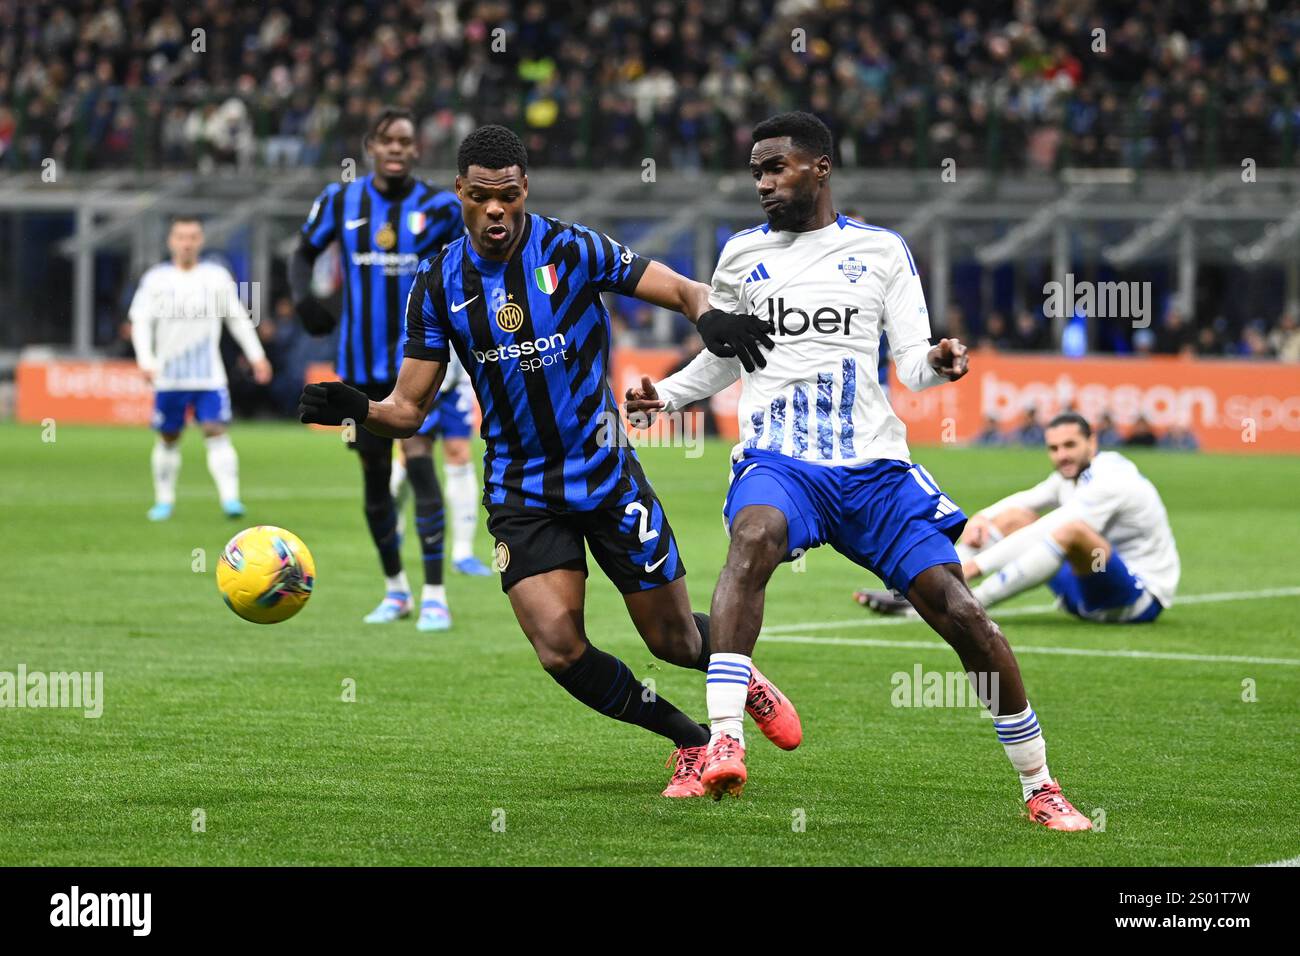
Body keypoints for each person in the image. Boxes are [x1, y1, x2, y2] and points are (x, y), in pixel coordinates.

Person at [298, 125, 800, 797]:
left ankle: (738, 669)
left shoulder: (572, 246)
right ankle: (691, 739)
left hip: (605, 474)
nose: (497, 210)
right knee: (559, 648)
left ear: (525, 189)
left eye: (508, 195)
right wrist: (355, 406)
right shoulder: (438, 280)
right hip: (521, 488)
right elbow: (408, 410)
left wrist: (709, 318)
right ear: (460, 194)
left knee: (674, 642)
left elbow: (683, 289)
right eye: (481, 197)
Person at [623, 112, 1090, 829]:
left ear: (821, 168)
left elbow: (911, 361)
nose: (764, 183)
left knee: (961, 614)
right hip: (781, 459)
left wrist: (937, 365)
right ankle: (723, 739)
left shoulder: (880, 252)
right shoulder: (742, 256)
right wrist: (667, 395)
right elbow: (726, 354)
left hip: (873, 470)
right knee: (752, 539)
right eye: (756, 172)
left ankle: (1040, 784)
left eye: (777, 167)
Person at [289, 107, 463, 631]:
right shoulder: (341, 200)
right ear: (371, 145)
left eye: (405, 141)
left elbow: (467, 263)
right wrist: (304, 300)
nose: (396, 148)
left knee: (420, 459)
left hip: (416, 362)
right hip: (358, 366)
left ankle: (435, 593)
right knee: (373, 475)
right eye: (386, 140)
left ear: (416, 150)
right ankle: (396, 590)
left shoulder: (439, 207)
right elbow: (302, 253)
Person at [859, 412, 1179, 624]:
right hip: (1085, 592)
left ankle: (960, 605)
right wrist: (981, 519)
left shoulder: (1110, 481)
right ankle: (925, 585)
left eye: (1070, 445)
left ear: (1092, 443)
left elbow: (1049, 529)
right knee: (1016, 517)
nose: (1061, 455)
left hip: (1137, 599)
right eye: (1054, 448)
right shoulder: (1074, 474)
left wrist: (973, 568)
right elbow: (1028, 500)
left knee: (1073, 532)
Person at [129, 216, 270, 521]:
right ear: (171, 241)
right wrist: (145, 360)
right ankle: (164, 501)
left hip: (209, 375)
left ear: (201, 241)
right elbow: (141, 321)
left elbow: (237, 318)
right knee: (169, 436)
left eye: (193, 236)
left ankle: (231, 499)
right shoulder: (156, 279)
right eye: (181, 236)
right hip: (169, 376)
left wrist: (257, 355)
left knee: (215, 430)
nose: (187, 242)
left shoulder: (216, 277)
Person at [390, 350, 493, 576]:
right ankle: (393, 528)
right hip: (420, 369)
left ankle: (463, 552)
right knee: (409, 457)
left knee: (459, 453)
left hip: (457, 377)